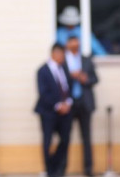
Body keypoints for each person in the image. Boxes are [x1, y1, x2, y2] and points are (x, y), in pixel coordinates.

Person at [35, 43, 74, 177]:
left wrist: (67, 103)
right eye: (61, 54)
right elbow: (43, 92)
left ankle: (59, 168)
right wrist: (58, 105)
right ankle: (50, 170)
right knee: (47, 141)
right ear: (54, 54)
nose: (63, 57)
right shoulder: (43, 70)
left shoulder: (64, 68)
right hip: (48, 111)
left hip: (66, 111)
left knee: (65, 139)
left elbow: (68, 88)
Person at [64, 35, 98, 176]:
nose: (74, 46)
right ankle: (61, 168)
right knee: (65, 137)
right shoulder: (63, 60)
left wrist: (85, 78)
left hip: (84, 102)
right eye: (72, 43)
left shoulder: (86, 59)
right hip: (69, 102)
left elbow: (95, 78)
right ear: (67, 44)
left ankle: (88, 168)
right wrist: (71, 76)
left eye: (76, 43)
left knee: (87, 137)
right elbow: (58, 79)